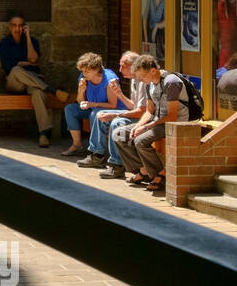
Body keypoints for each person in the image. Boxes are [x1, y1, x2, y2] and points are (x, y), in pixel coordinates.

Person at [115, 54, 196, 194]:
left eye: (143, 76)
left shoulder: (171, 83)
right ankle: (143, 169)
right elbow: (149, 111)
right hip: (157, 121)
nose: (141, 80)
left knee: (140, 140)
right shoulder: (149, 85)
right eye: (139, 77)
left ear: (153, 70)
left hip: (175, 123)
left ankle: (161, 174)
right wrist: (137, 126)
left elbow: (172, 115)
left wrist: (147, 127)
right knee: (119, 134)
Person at [0, 11, 54, 148]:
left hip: (32, 83)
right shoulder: (5, 43)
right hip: (14, 83)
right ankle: (48, 88)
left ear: (24, 27)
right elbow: (8, 67)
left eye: (20, 26)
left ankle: (44, 134)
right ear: (10, 27)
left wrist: (28, 36)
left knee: (38, 93)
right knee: (17, 70)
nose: (17, 29)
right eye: (14, 25)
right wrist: (28, 64)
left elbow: (34, 59)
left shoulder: (33, 41)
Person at [61, 52, 127, 161]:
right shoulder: (83, 78)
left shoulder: (109, 80)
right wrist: (81, 91)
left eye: (87, 71)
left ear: (96, 70)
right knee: (70, 109)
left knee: (95, 114)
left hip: (113, 111)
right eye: (82, 71)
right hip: (93, 108)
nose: (84, 74)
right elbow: (79, 101)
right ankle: (77, 145)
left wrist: (92, 104)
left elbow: (112, 105)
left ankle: (97, 153)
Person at [94, 51, 146, 179]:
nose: (120, 69)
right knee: (100, 114)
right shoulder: (134, 80)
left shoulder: (144, 81)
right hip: (137, 114)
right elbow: (133, 106)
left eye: (123, 66)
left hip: (145, 119)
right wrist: (119, 94)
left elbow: (142, 112)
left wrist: (116, 116)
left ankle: (116, 166)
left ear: (134, 65)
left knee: (117, 123)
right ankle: (97, 155)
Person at [142, 0, 166, 65]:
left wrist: (157, 26)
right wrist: (146, 39)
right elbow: (145, 16)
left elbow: (168, 19)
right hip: (150, 31)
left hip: (161, 31)